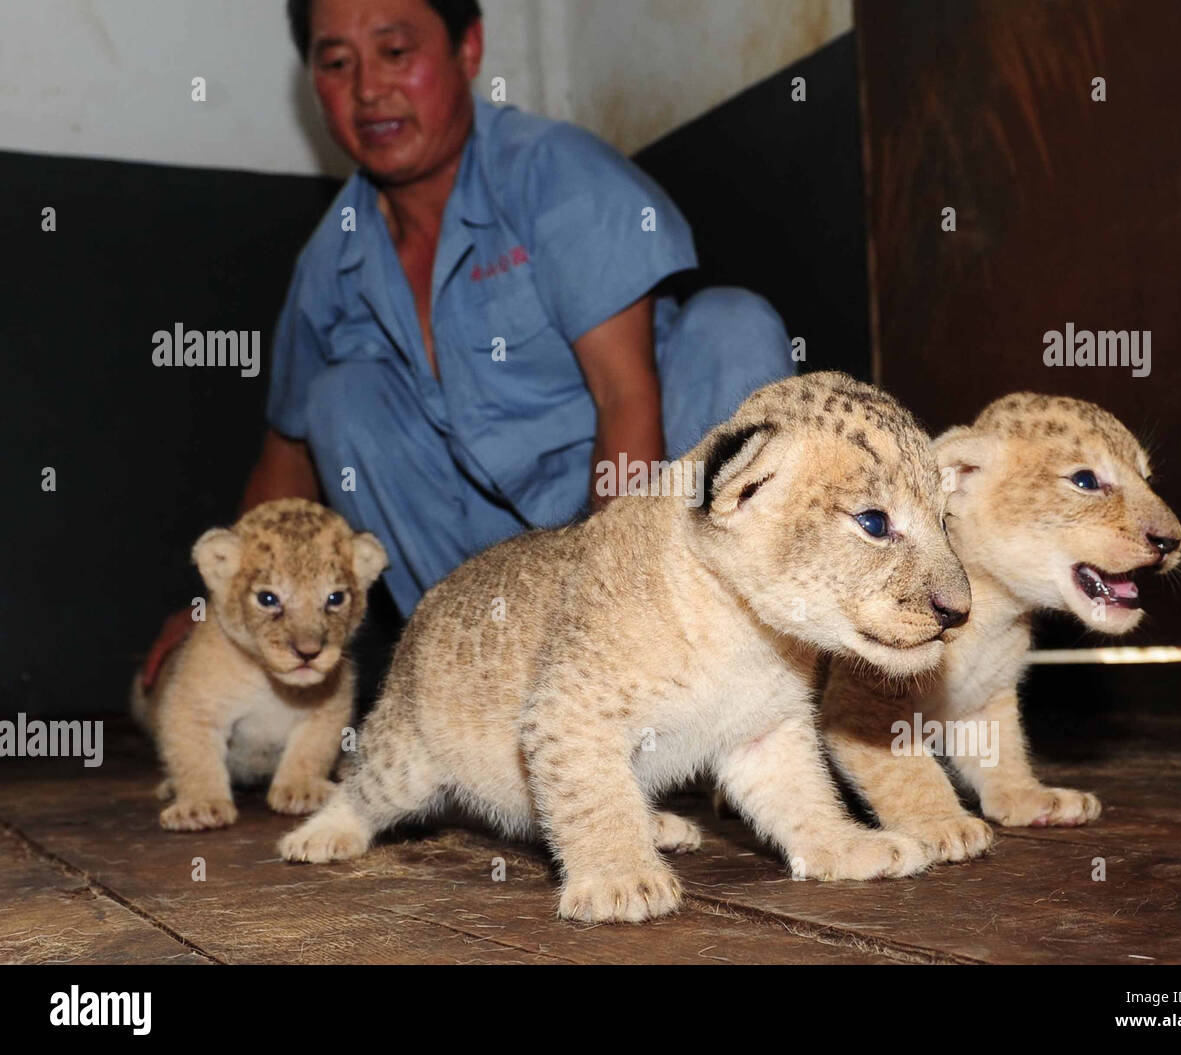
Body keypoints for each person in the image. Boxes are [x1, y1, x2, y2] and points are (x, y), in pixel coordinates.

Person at [143, 0, 792, 684]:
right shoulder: (329, 263)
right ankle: (487, 698)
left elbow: (624, 397)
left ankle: (740, 688)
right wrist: (219, 606)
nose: (368, 89)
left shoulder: (558, 173)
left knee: (730, 324)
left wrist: (607, 637)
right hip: (497, 587)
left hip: (649, 530)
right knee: (340, 397)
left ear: (469, 48)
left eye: (395, 52)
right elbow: (288, 455)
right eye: (337, 64)